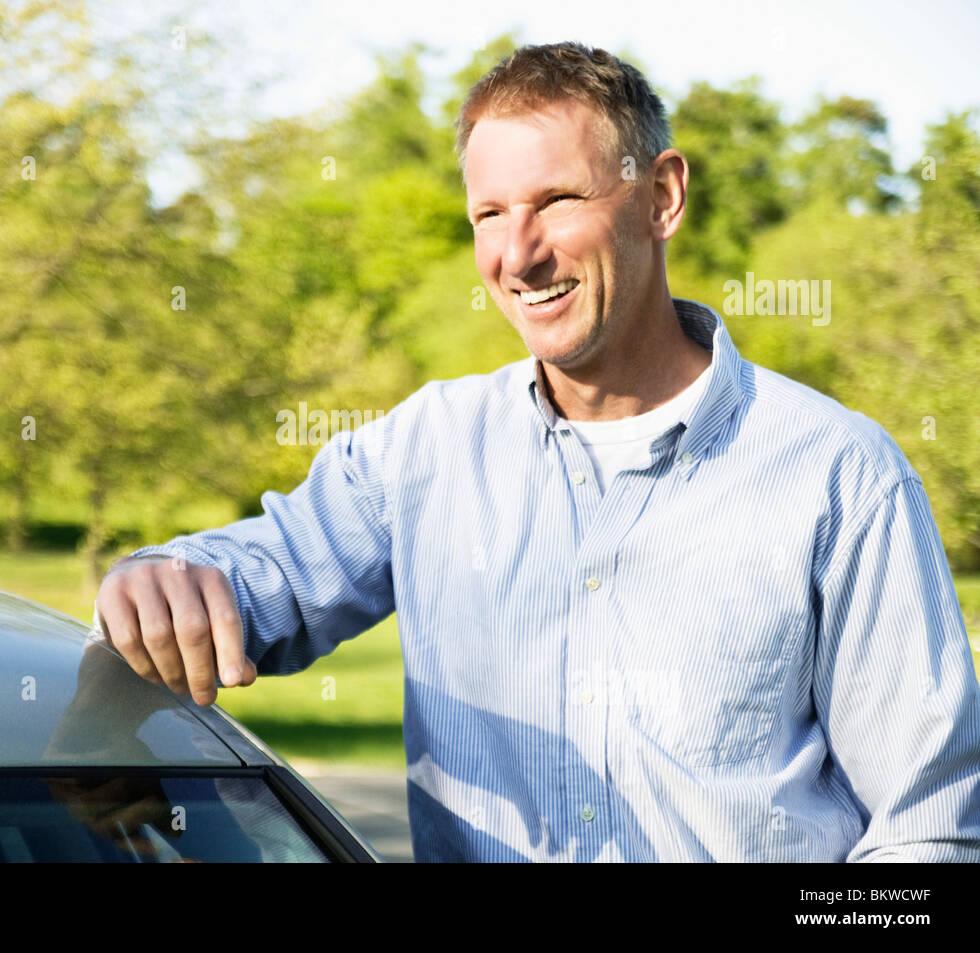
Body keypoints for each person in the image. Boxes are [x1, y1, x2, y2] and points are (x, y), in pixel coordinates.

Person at [95, 41, 980, 861]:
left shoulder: (840, 474)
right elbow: (249, 583)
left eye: (557, 201)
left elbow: (928, 839)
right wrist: (162, 574)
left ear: (662, 195)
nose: (518, 255)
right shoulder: (424, 450)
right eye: (489, 213)